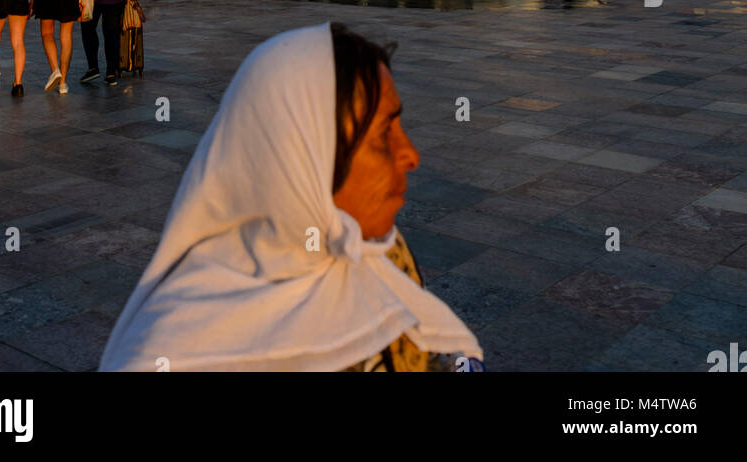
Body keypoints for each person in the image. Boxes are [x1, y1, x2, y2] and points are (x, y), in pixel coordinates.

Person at [99, 22, 483, 373]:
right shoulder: (180, 354)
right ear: (301, 155)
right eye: (383, 134)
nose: (411, 155)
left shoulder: (382, 252)